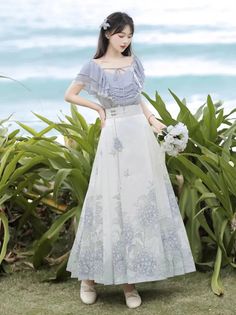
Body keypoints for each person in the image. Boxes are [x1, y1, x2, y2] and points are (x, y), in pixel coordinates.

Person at [64, 11, 196, 309]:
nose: (126, 41)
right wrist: (98, 109)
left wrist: (154, 120)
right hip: (115, 136)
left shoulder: (133, 63)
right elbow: (70, 94)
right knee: (109, 203)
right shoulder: (93, 66)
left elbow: (138, 97)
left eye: (130, 36)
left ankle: (130, 281)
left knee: (139, 203)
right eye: (121, 35)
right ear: (108, 34)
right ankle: (89, 277)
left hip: (139, 134)